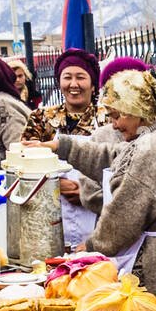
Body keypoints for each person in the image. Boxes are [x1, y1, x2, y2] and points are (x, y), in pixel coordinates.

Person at [31, 68, 156, 311]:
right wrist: (61, 146)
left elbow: (124, 218)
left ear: (140, 111)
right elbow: (112, 157)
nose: (115, 125)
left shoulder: (148, 151)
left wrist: (93, 246)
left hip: (155, 265)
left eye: (118, 116)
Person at [22, 48, 103, 243]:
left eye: (81, 77)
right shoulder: (41, 119)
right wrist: (54, 184)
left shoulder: (108, 119)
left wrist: (88, 191)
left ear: (93, 84)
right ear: (59, 82)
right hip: (49, 223)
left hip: (99, 223)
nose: (73, 84)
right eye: (67, 77)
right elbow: (22, 166)